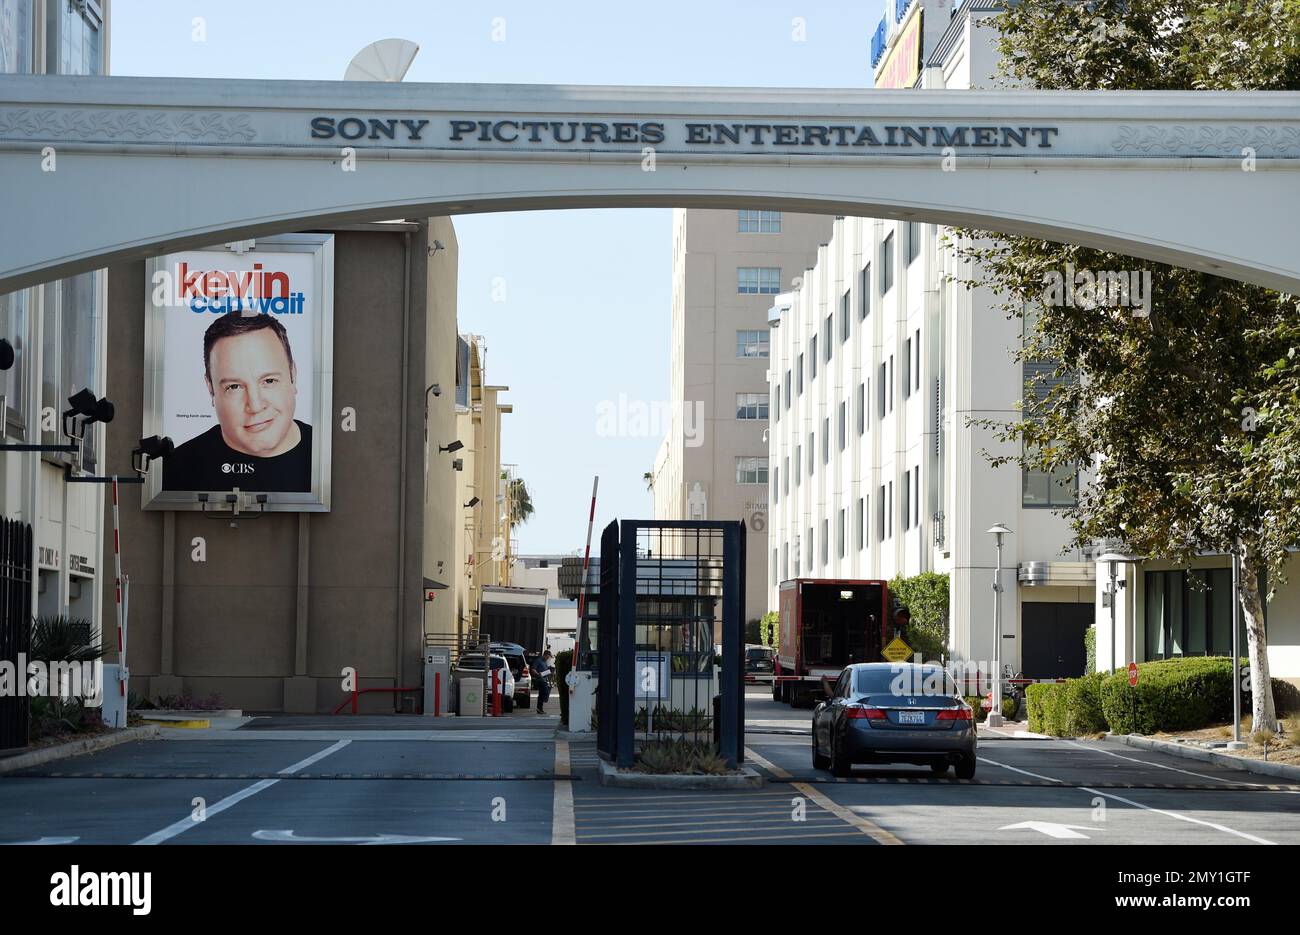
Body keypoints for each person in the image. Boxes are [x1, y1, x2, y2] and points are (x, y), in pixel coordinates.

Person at [163, 313, 312, 492]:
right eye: (234, 386)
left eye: (269, 381)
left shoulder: (330, 456)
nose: (255, 406)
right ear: (210, 388)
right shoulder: (175, 471)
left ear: (293, 376)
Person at [532, 650, 554, 714]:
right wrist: (538, 674)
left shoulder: (545, 662)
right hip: (540, 680)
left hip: (544, 680)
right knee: (544, 692)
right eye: (548, 656)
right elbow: (533, 669)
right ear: (545, 655)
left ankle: (539, 708)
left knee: (541, 694)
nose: (548, 658)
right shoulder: (538, 660)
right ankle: (540, 707)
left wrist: (550, 671)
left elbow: (546, 671)